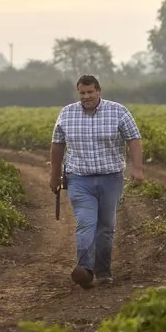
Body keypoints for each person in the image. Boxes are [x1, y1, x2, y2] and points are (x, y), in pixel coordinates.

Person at [49, 73, 144, 289]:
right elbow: (57, 145)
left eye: (90, 92)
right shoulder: (67, 114)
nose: (86, 96)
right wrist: (54, 175)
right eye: (82, 93)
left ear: (98, 91)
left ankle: (104, 272)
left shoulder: (118, 112)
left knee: (106, 227)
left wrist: (138, 168)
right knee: (86, 222)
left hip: (111, 179)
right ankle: (84, 269)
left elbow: (134, 139)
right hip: (79, 179)